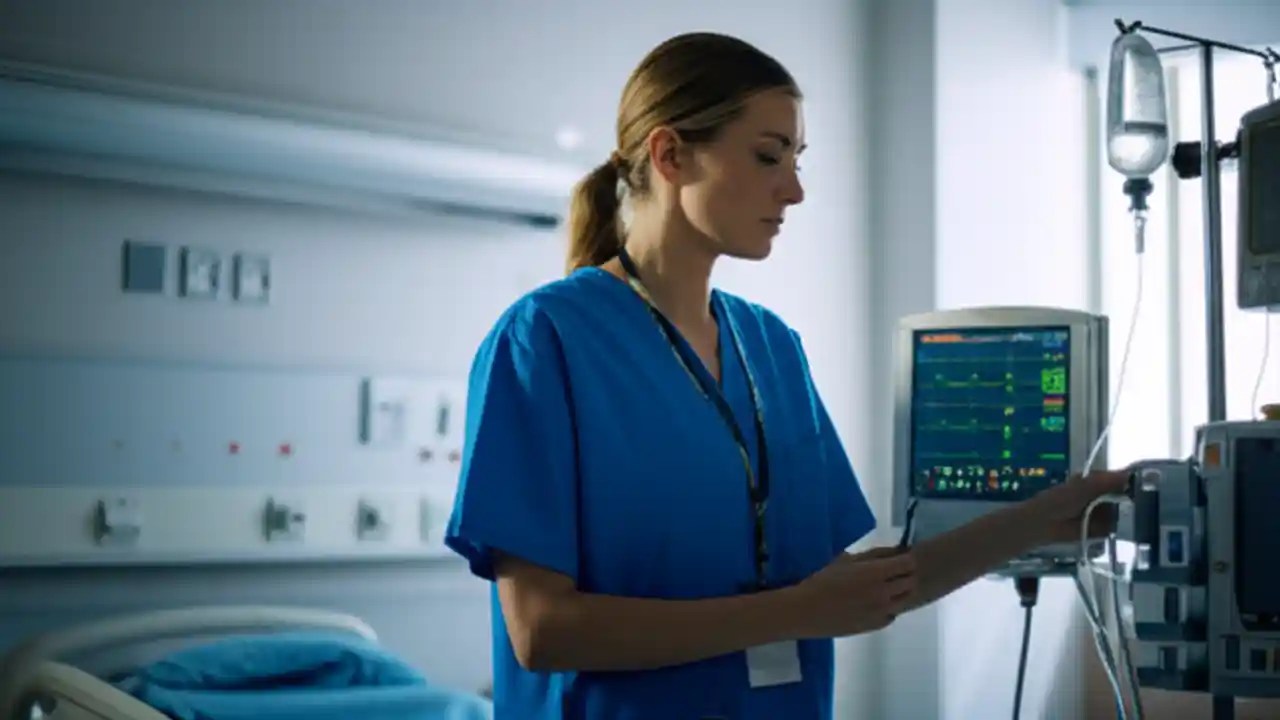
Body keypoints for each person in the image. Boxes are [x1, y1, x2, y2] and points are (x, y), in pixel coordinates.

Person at [444, 31, 1128, 719]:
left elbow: (857, 591)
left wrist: (1055, 514)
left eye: (798, 160)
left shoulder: (771, 346)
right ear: (670, 154)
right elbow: (542, 631)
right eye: (768, 156)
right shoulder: (546, 339)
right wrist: (792, 612)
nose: (795, 191)